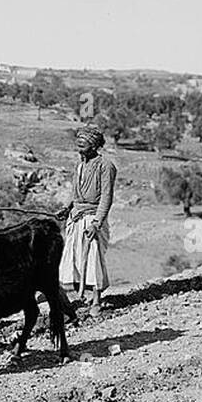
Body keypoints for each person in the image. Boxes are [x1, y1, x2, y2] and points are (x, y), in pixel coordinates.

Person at [59, 126, 116, 318]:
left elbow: (106, 197)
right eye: (78, 143)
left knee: (93, 259)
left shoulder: (106, 166)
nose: (79, 147)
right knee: (73, 258)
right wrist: (67, 208)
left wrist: (97, 223)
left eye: (83, 144)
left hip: (92, 218)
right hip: (75, 217)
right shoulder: (79, 165)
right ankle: (80, 296)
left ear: (94, 146)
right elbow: (75, 193)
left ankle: (97, 300)